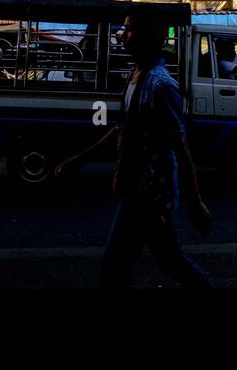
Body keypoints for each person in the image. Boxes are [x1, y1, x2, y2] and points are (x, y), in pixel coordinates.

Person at [54, 14, 212, 288]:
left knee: (119, 267)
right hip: (136, 190)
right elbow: (124, 128)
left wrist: (195, 202)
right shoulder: (136, 75)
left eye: (129, 30)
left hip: (150, 194)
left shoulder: (161, 86)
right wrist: (80, 160)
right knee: (164, 260)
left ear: (150, 38)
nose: (121, 34)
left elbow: (180, 146)